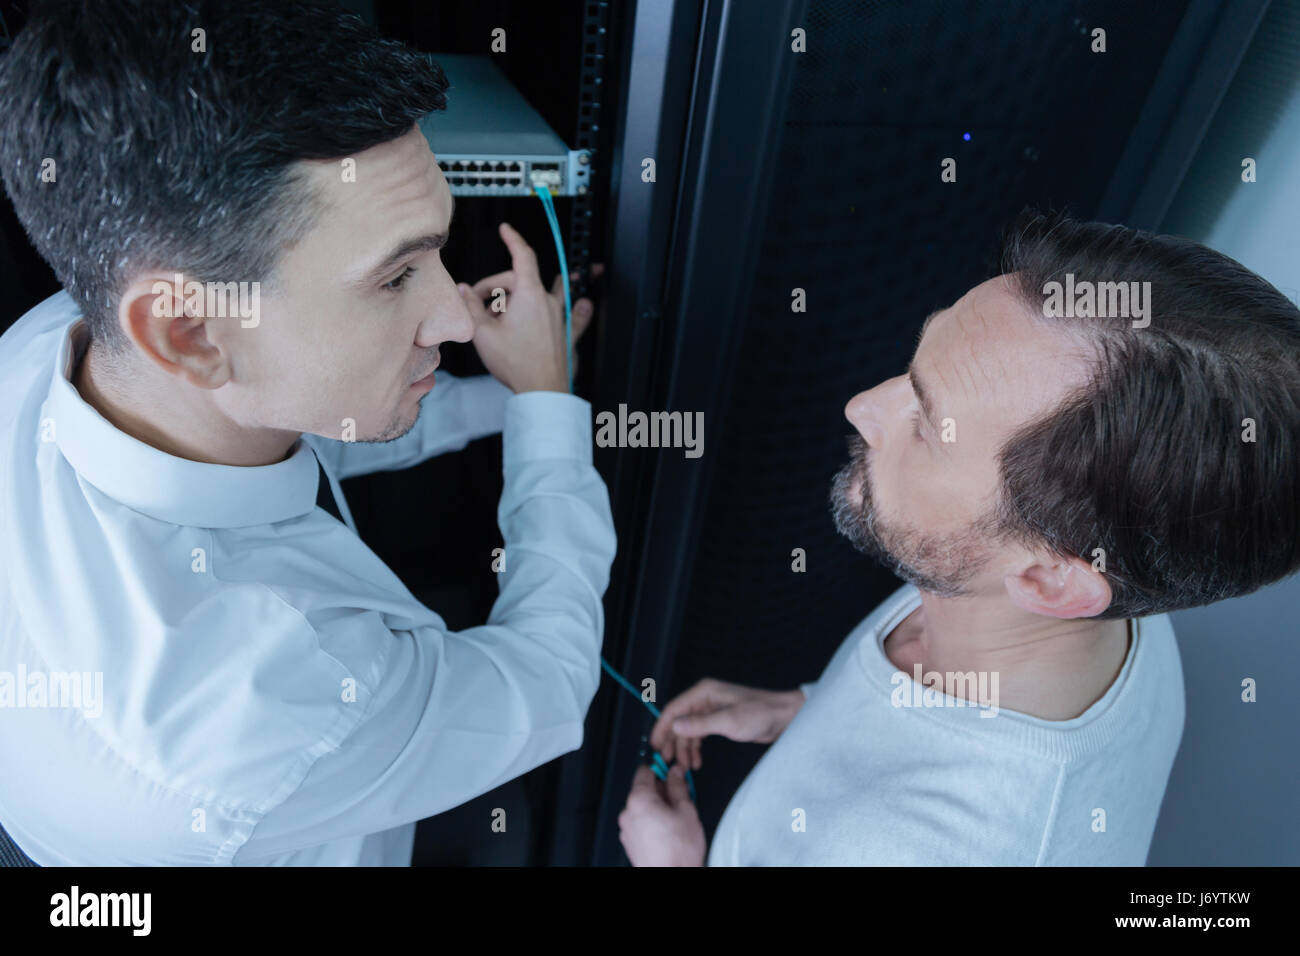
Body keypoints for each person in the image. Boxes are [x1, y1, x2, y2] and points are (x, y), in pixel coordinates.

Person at [0, 0, 615, 865]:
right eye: (397, 275)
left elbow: (294, 404)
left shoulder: (45, 352)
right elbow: (546, 686)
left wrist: (506, 403)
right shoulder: (258, 707)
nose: (454, 315)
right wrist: (550, 407)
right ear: (188, 333)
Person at [617, 211, 1300, 866]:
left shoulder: (923, 851)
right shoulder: (1115, 582)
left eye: (928, 424)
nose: (863, 406)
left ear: (1051, 581)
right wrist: (801, 708)